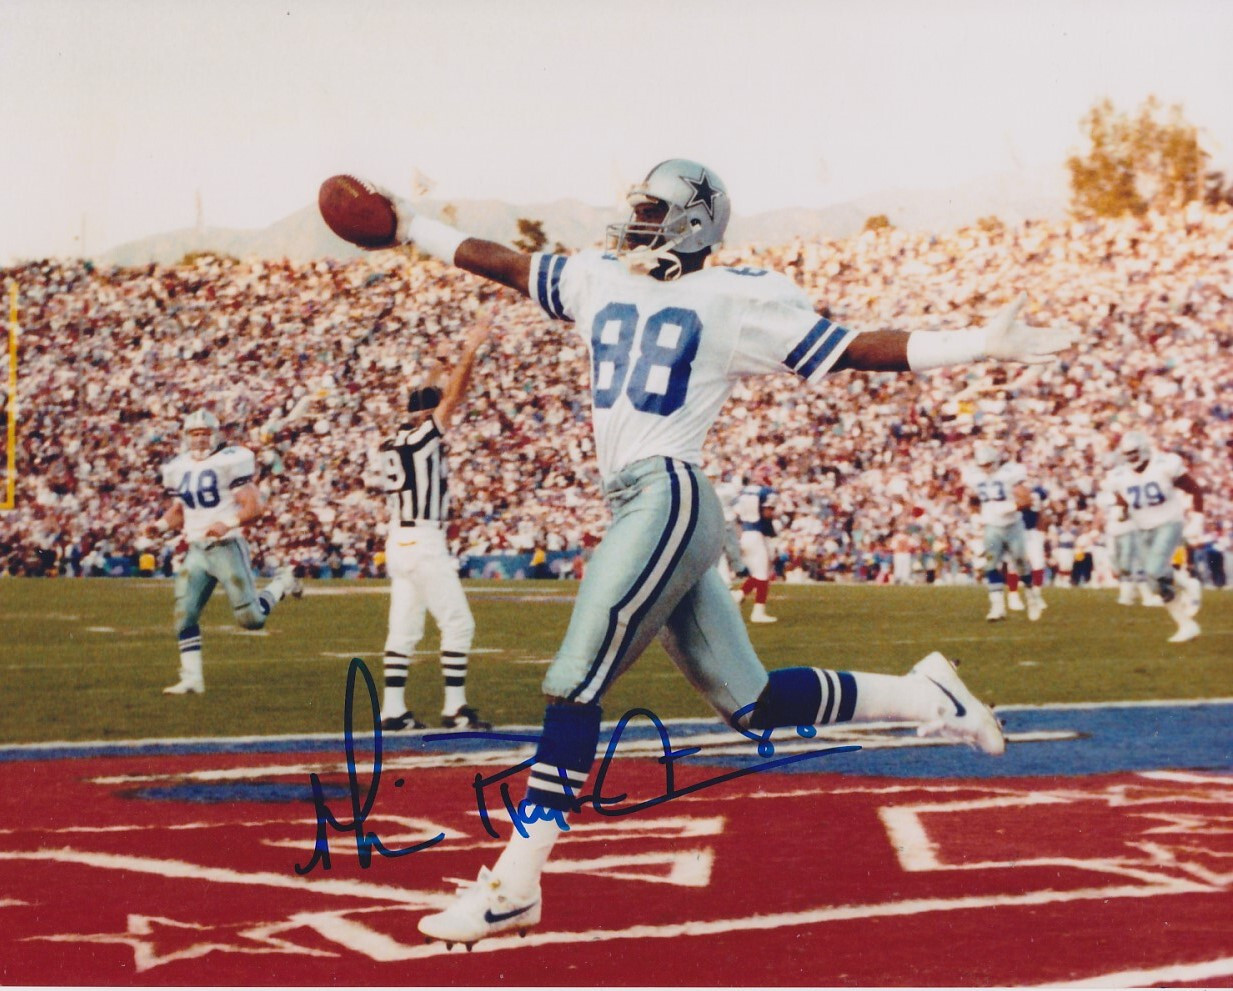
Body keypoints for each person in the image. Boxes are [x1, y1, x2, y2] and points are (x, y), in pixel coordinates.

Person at [343, 158, 1074, 945]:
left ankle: (514, 883)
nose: (635, 221)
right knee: (751, 701)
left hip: (668, 495)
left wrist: (975, 345)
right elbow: (504, 263)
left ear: (692, 222)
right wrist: (410, 225)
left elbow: (857, 346)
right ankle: (929, 697)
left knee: (575, 682)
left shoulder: (732, 299)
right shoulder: (596, 277)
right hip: (640, 503)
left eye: (651, 210)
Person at [365, 322, 494, 732]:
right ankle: (455, 708)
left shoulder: (393, 441)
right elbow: (451, 399)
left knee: (403, 628)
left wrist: (435, 372)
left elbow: (428, 400)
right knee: (458, 623)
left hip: (399, 540)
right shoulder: (423, 439)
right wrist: (468, 351)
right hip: (422, 539)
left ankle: (393, 709)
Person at [152, 410, 301, 695]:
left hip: (226, 547)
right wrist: (158, 527)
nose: (199, 440)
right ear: (186, 437)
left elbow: (255, 507)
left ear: (215, 434)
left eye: (204, 434)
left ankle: (283, 582)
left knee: (252, 619)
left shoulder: (230, 460)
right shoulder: (178, 467)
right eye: (194, 434)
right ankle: (192, 679)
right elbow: (179, 511)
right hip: (196, 549)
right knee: (184, 614)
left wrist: (227, 523)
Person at [1105, 430, 1204, 642]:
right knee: (1153, 582)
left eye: (1134, 453)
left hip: (1169, 522)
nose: (1131, 458)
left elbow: (1195, 489)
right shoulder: (1119, 476)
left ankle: (1187, 591)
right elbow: (1123, 499)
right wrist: (1120, 511)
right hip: (1143, 527)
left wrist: (1197, 519)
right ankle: (1186, 622)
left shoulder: (1163, 465)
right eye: (1127, 454)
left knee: (1154, 570)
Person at [962, 443, 1040, 621]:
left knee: (1020, 564)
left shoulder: (1009, 473)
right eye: (982, 465)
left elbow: (1026, 499)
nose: (985, 468)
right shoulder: (975, 477)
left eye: (988, 464)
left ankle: (1031, 597)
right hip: (991, 526)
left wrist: (1012, 506)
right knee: (991, 564)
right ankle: (997, 607)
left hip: (1013, 525)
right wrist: (975, 515)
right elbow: (973, 498)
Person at [731, 464, 780, 622]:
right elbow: (766, 514)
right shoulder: (767, 492)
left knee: (758, 572)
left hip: (745, 533)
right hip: (758, 534)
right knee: (762, 574)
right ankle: (758, 612)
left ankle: (738, 595)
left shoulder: (744, 491)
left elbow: (737, 513)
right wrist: (771, 533)